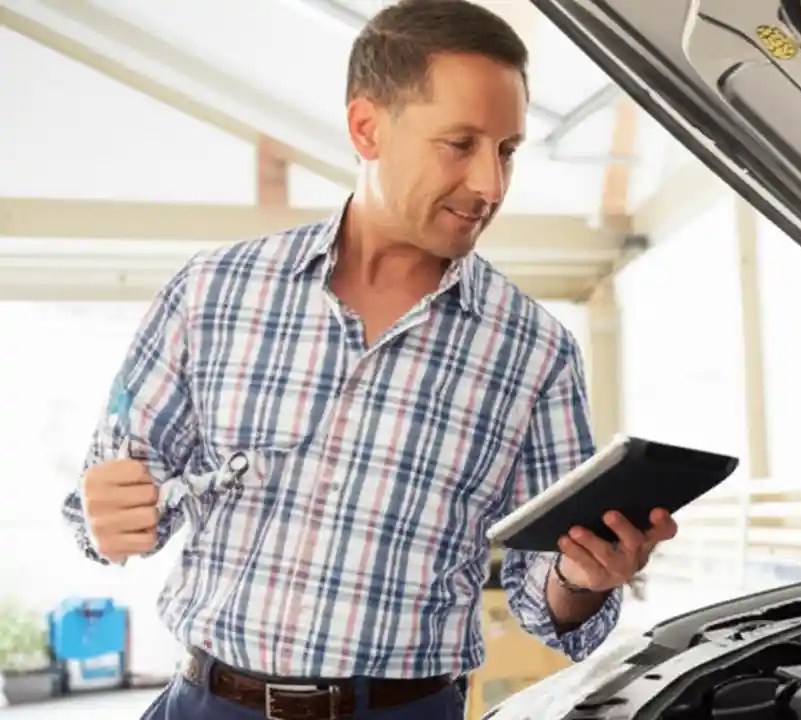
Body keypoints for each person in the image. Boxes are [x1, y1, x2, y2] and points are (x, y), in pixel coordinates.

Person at [60, 1, 678, 717]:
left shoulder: (534, 351)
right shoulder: (211, 292)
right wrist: (107, 516)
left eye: (506, 150)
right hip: (207, 704)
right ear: (366, 127)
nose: (491, 185)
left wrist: (584, 577)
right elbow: (109, 501)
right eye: (460, 143)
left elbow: (552, 604)